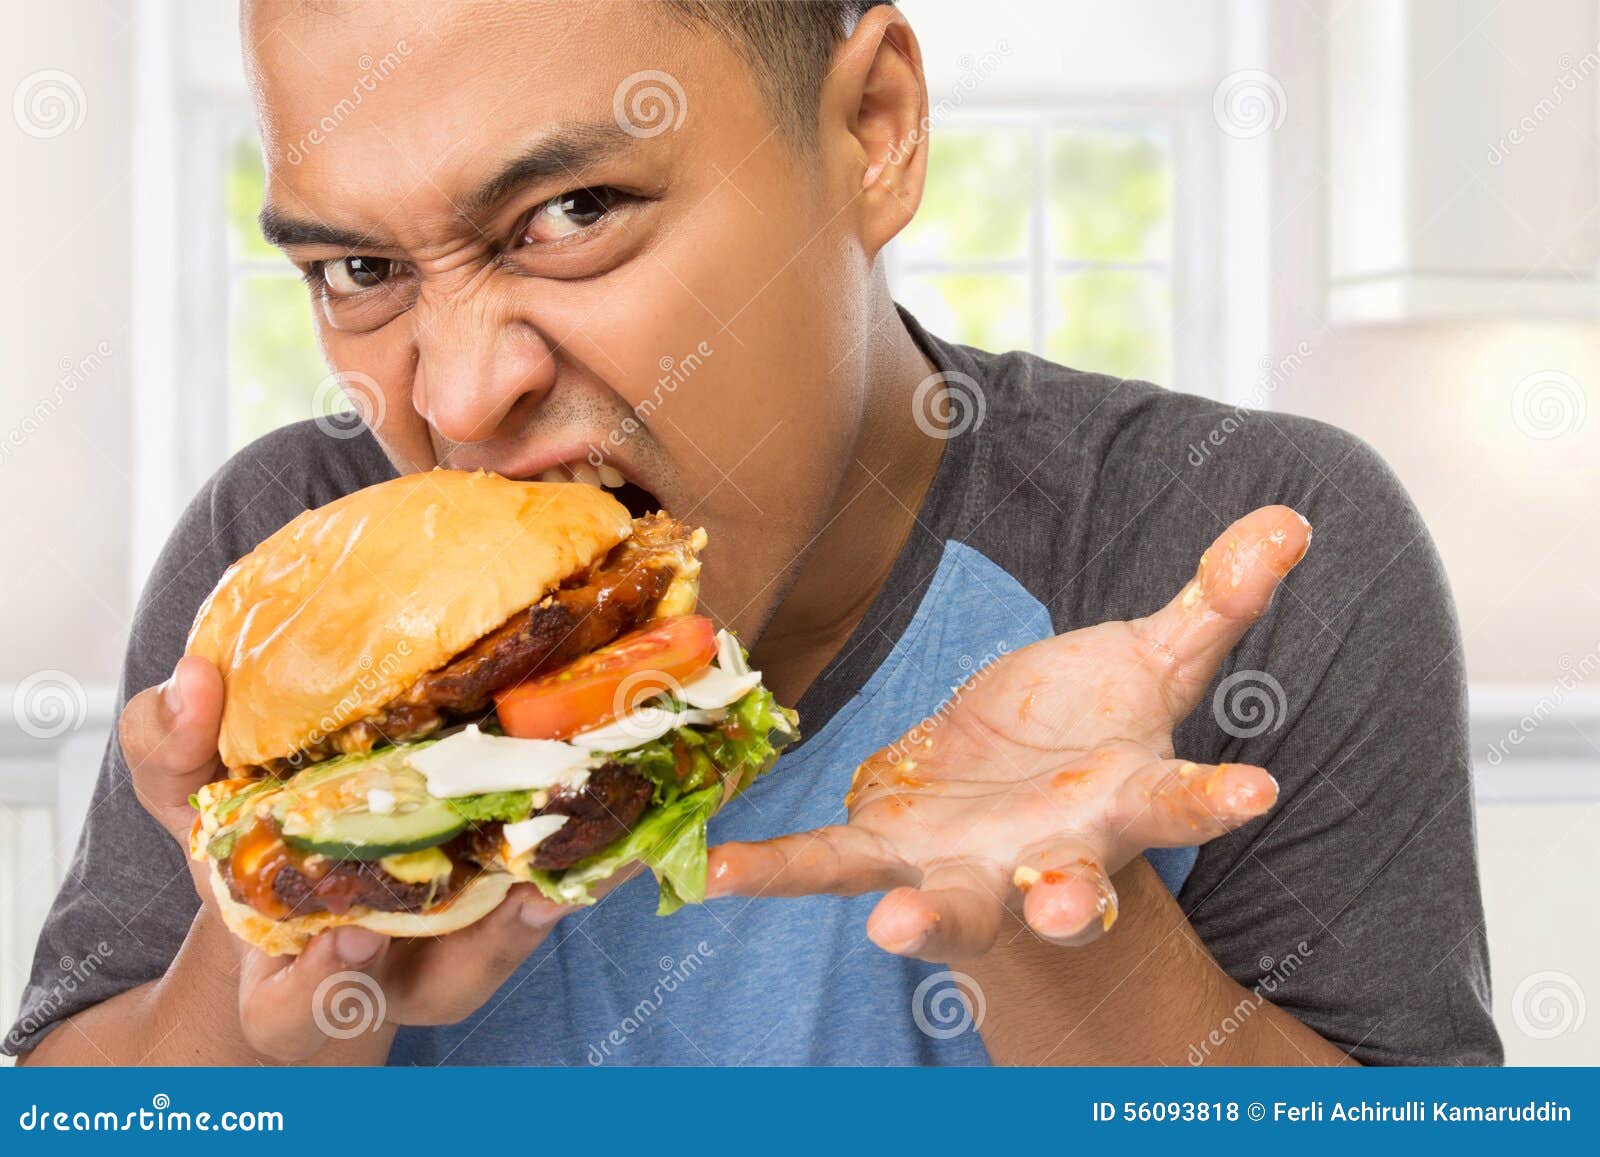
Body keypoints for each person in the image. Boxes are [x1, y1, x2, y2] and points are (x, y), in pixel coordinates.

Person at [7, 0, 1499, 1066]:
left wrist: (1077, 950)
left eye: (574, 208)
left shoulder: (1222, 551)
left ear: (874, 130)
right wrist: (273, 973)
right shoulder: (285, 560)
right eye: (359, 267)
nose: (458, 394)